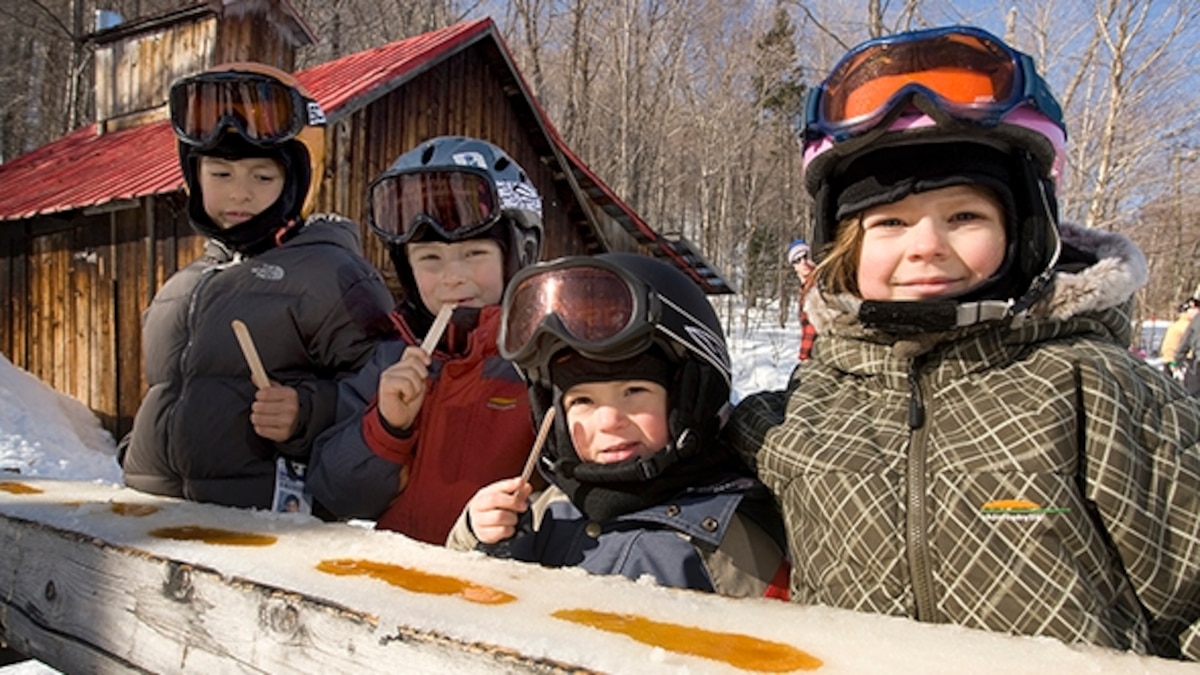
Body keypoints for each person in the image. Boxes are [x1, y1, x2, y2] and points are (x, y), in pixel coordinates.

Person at [726, 26, 1200, 659]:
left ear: (1025, 229)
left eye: (965, 216)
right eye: (889, 222)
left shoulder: (1095, 388)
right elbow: (675, 464)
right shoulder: (807, 406)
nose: (926, 245)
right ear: (842, 248)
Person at [119, 63, 395, 511]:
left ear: (297, 180)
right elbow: (165, 389)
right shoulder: (179, 287)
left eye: (262, 177)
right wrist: (136, 450)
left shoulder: (333, 276)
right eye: (220, 174)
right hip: (154, 517)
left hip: (265, 531)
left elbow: (387, 394)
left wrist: (308, 410)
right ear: (193, 175)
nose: (239, 194)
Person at [448, 253, 790, 599]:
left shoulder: (729, 548)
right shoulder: (544, 510)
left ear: (691, 400)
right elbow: (462, 610)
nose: (609, 421)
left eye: (634, 392)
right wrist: (478, 537)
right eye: (583, 401)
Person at [308, 136, 543, 545]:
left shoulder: (543, 369)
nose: (452, 277)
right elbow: (335, 496)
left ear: (518, 255)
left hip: (496, 579)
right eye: (430, 259)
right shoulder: (389, 360)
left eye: (474, 254)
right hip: (394, 575)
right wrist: (386, 427)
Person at [786, 238, 817, 361]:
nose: (803, 262)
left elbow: (811, 326)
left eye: (806, 256)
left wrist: (804, 356)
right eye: (798, 260)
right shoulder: (805, 288)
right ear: (794, 266)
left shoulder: (818, 284)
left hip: (820, 349)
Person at [1172, 301, 1200, 395]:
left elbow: (1184, 343)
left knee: (1194, 395)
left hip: (1198, 363)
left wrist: (1176, 362)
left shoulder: (1197, 320)